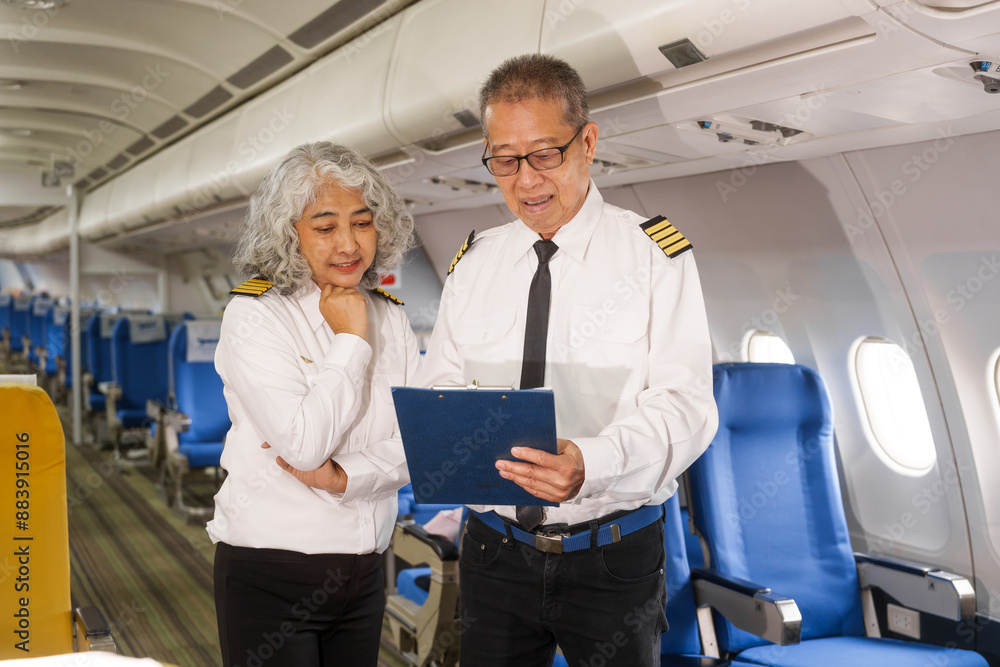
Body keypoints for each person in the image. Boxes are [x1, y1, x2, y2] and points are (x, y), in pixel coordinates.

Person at [419, 54, 719, 666]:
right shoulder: (474, 263)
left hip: (612, 554)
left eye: (543, 155)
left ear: (587, 142)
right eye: (504, 160)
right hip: (494, 552)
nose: (525, 181)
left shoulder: (655, 258)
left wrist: (593, 462)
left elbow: (685, 407)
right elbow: (442, 386)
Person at [207, 142, 419, 666]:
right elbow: (304, 445)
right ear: (290, 234)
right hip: (271, 571)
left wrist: (348, 477)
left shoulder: (391, 316)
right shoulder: (255, 317)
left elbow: (422, 441)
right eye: (325, 228)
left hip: (367, 570)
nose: (348, 244)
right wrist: (351, 340)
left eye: (362, 223)